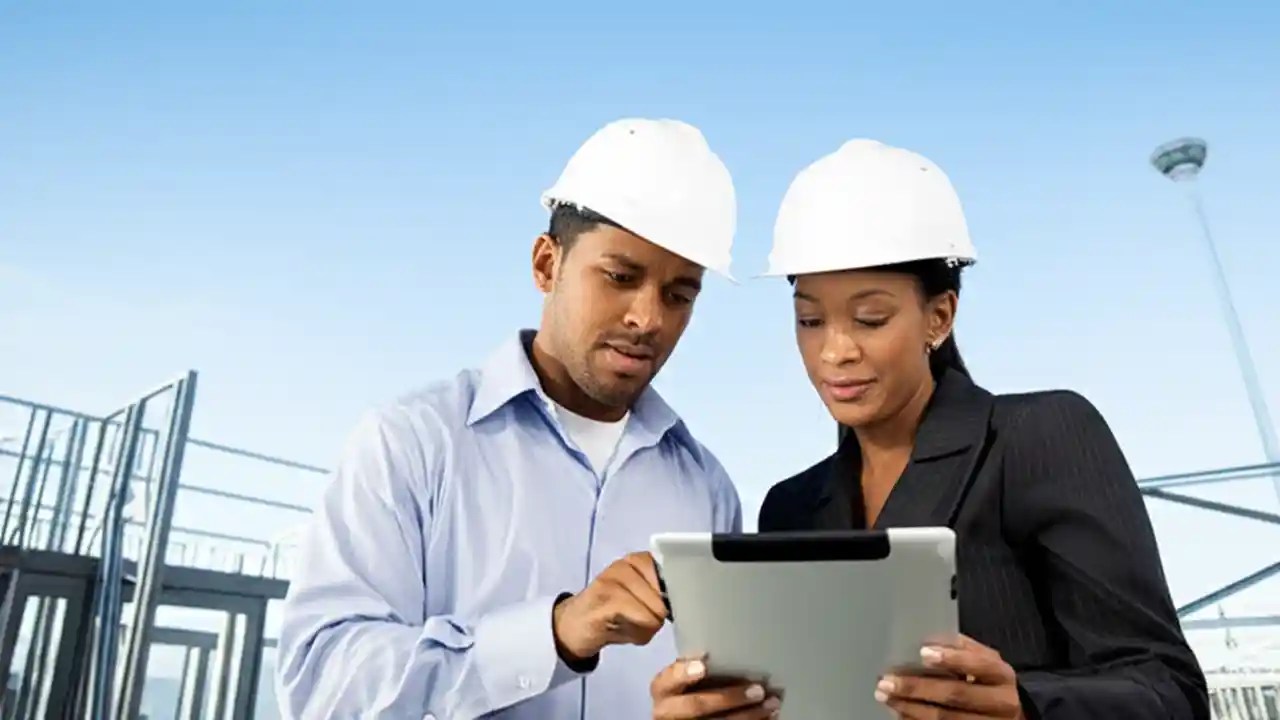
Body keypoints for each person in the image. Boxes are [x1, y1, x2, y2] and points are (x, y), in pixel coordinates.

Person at [649, 139, 1210, 719]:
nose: (834, 351)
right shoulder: (791, 508)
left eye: (871, 318)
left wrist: (1025, 708)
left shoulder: (1037, 438)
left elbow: (1172, 691)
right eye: (810, 320)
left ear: (939, 316)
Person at [276, 117, 744, 720]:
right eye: (621, 278)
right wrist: (553, 635)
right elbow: (321, 688)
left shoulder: (709, 491)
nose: (648, 318)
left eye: (679, 294)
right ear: (547, 264)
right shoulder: (413, 444)